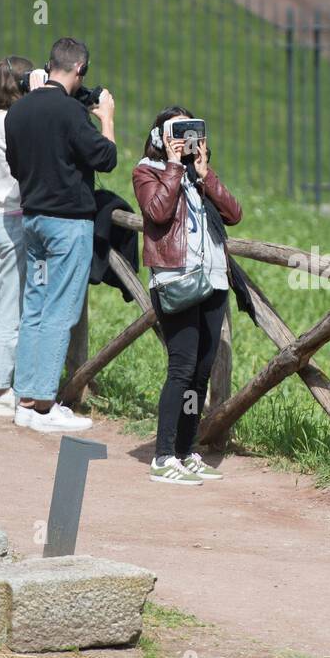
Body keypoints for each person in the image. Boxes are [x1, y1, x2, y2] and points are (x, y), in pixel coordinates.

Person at [4, 37, 117, 432]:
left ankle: (26, 398)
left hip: (32, 222)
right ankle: (44, 407)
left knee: (34, 306)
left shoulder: (17, 112)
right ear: (79, 69)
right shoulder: (71, 113)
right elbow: (106, 157)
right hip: (67, 226)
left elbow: (16, 167)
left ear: (50, 65)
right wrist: (106, 118)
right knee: (60, 312)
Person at [133, 107, 240, 486]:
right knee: (181, 369)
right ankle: (163, 456)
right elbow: (158, 212)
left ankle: (185, 449)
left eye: (190, 129)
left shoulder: (199, 176)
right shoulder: (147, 171)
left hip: (212, 280)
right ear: (161, 135)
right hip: (175, 281)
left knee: (200, 372)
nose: (185, 138)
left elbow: (234, 213)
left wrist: (205, 173)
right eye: (176, 130)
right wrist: (175, 166)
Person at [0, 55, 45, 418]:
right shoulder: (12, 122)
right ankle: (0, 387)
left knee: (1, 305)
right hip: (14, 219)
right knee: (11, 308)